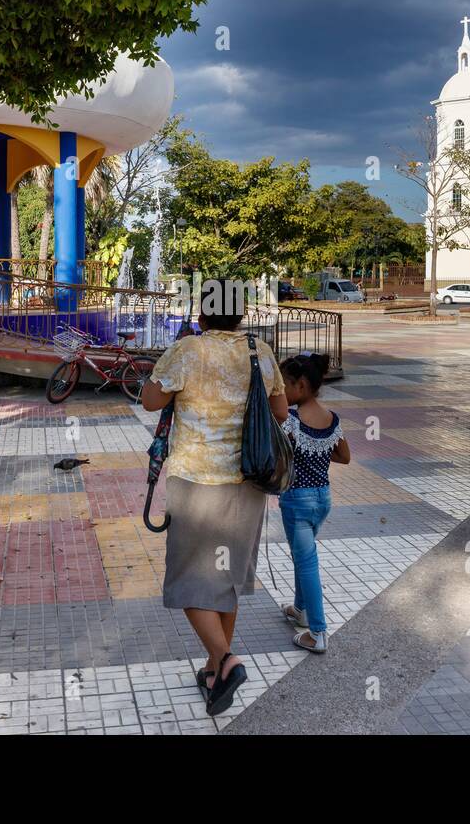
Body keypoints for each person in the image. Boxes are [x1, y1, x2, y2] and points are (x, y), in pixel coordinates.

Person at [141, 279, 287, 717]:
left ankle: (226, 660)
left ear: (202, 314)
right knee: (224, 581)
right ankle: (214, 667)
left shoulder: (188, 350)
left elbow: (151, 400)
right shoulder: (259, 351)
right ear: (240, 313)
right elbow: (280, 413)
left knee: (188, 582)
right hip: (248, 484)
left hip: (197, 483)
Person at [278, 352, 350, 654]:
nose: (281, 392)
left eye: (285, 386)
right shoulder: (331, 419)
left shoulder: (291, 421)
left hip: (297, 500)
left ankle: (317, 633)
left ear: (302, 385)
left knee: (306, 562)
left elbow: (277, 455)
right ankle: (300, 609)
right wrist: (318, 451)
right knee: (302, 555)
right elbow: (344, 456)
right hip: (323, 499)